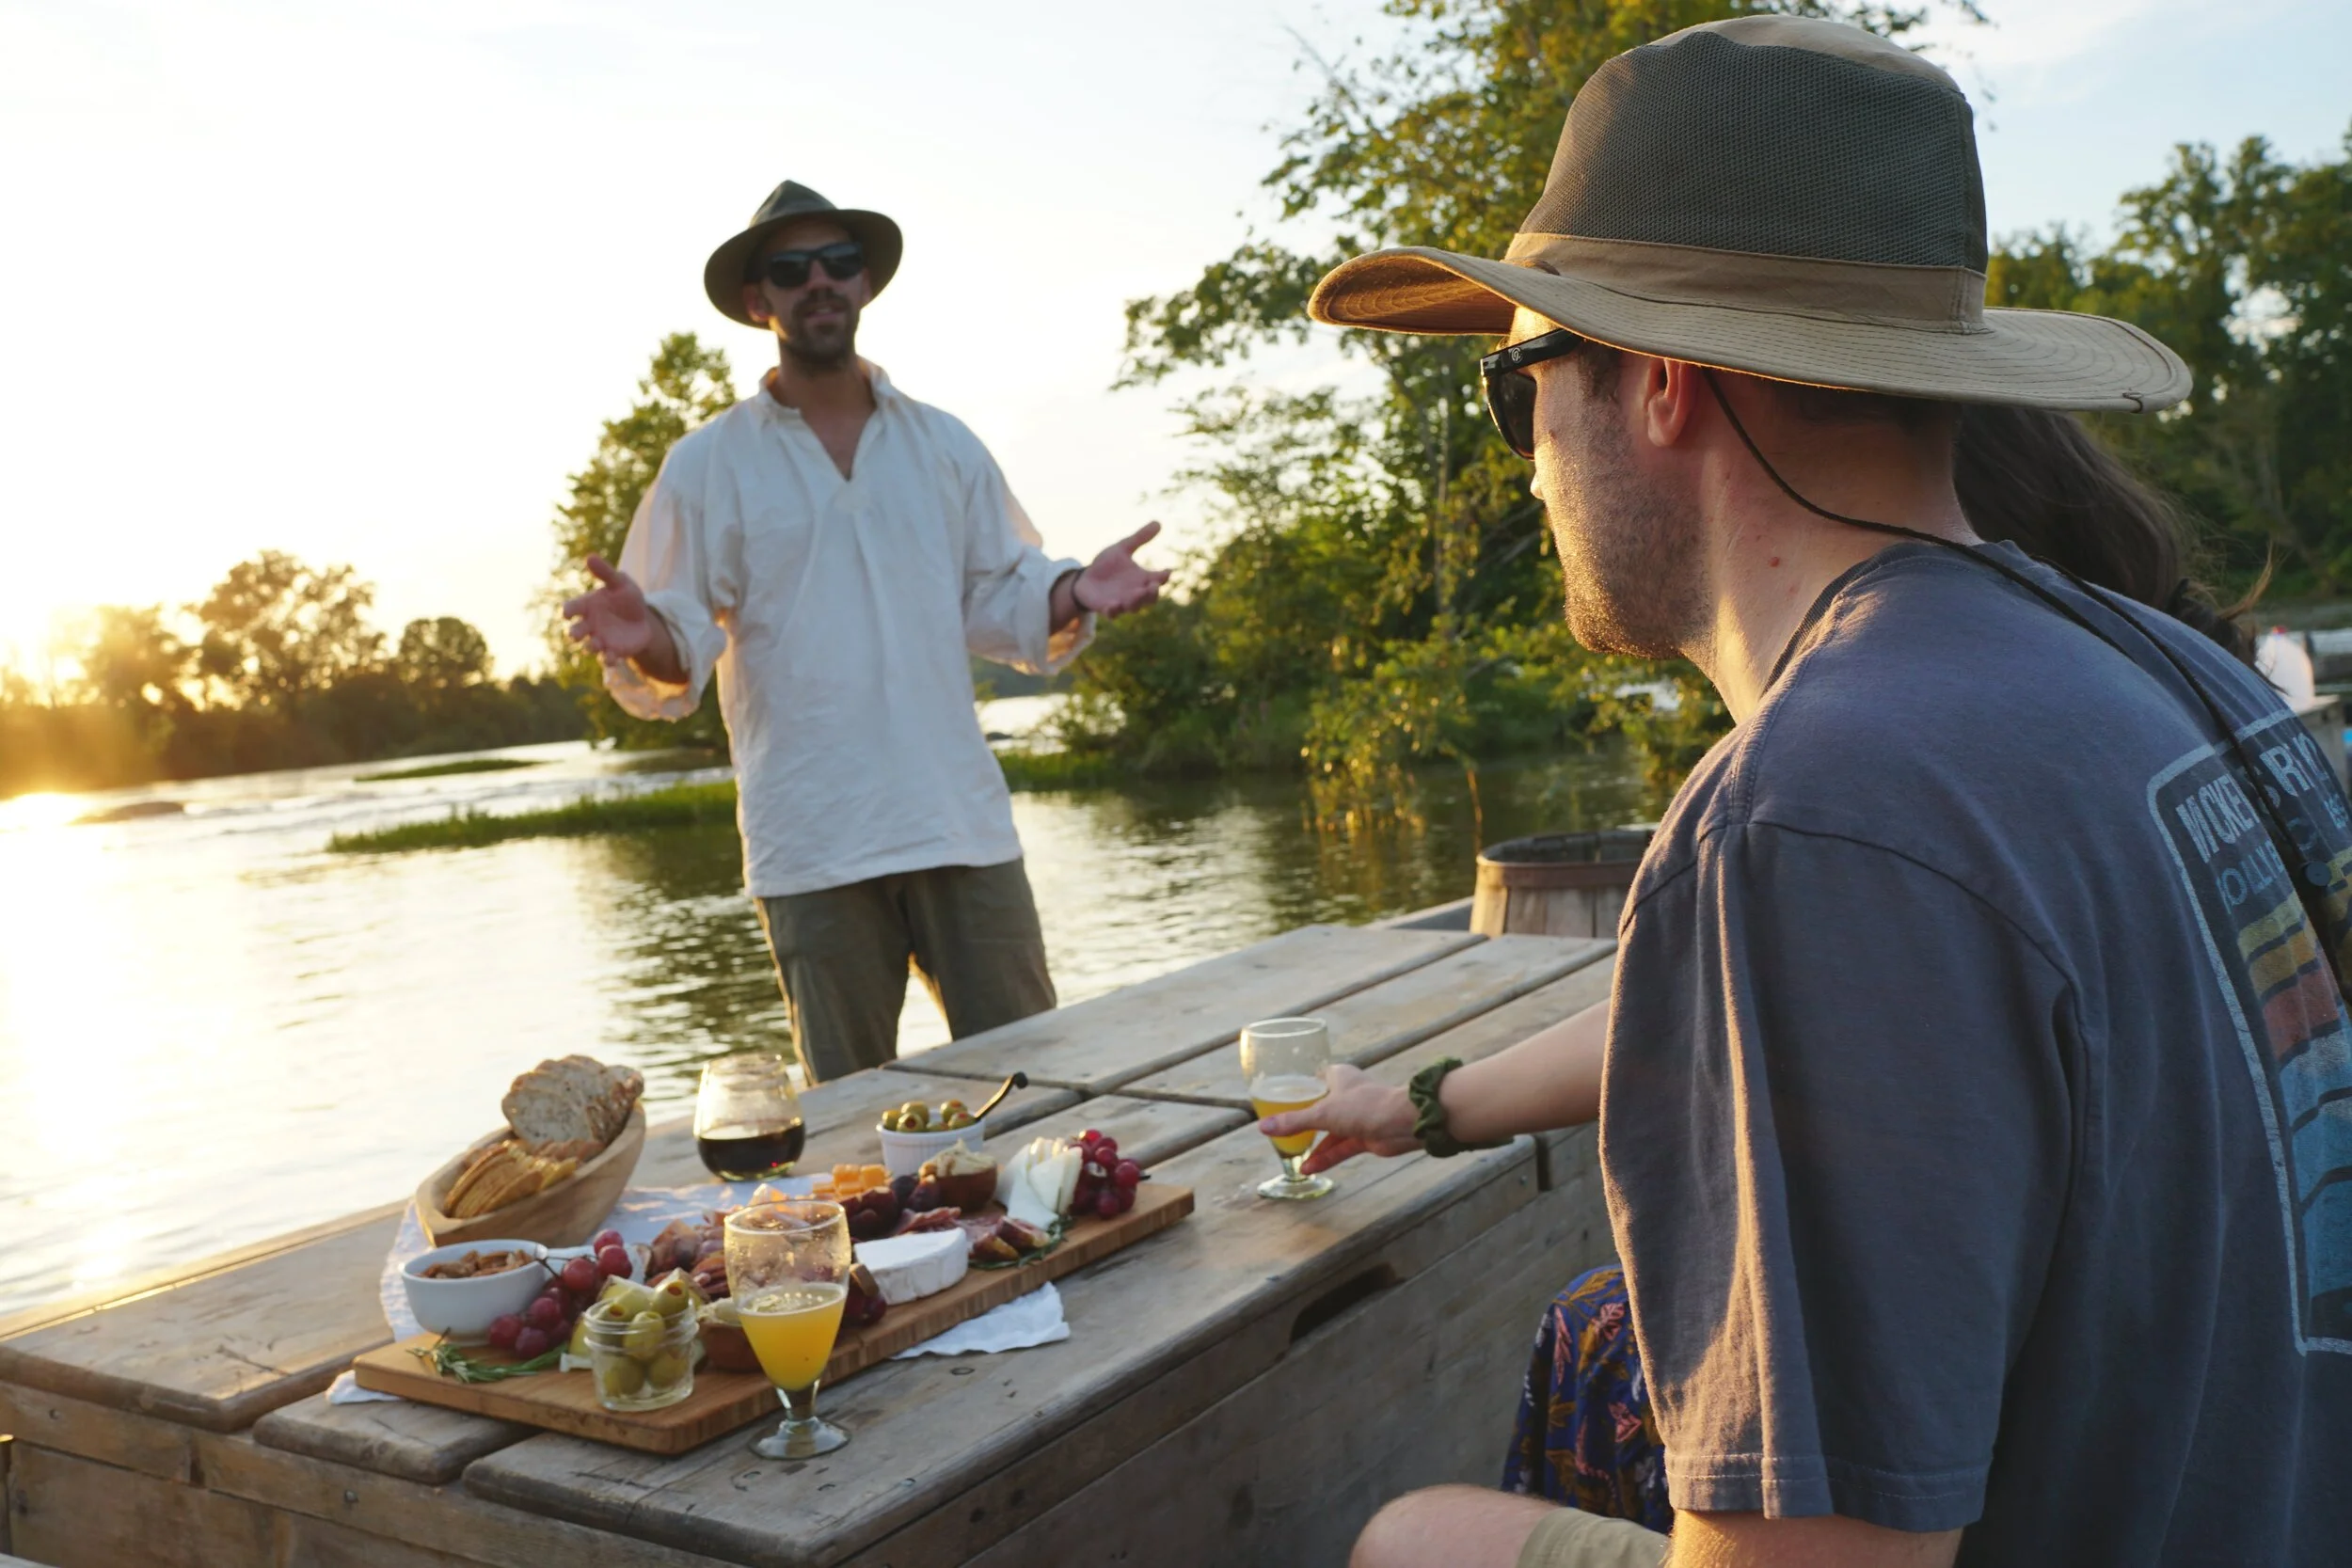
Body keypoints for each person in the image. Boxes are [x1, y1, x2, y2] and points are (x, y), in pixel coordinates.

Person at [1276, 15, 2352, 1568]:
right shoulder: (2165, 680)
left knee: (1413, 1536)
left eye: (1521, 383)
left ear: (1656, 380)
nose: (1523, 462)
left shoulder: (1825, 807)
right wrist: (1423, 1102)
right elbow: (1815, 1000)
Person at [563, 182, 1168, 1084]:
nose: (821, 283)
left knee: (1037, 1089)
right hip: (812, 845)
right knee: (850, 1120)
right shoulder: (707, 464)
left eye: (839, 264)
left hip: (959, 825)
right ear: (756, 299)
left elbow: (1001, 597)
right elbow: (677, 642)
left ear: (866, 286)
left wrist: (1076, 587)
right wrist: (640, 629)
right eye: (792, 268)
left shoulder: (944, 445)